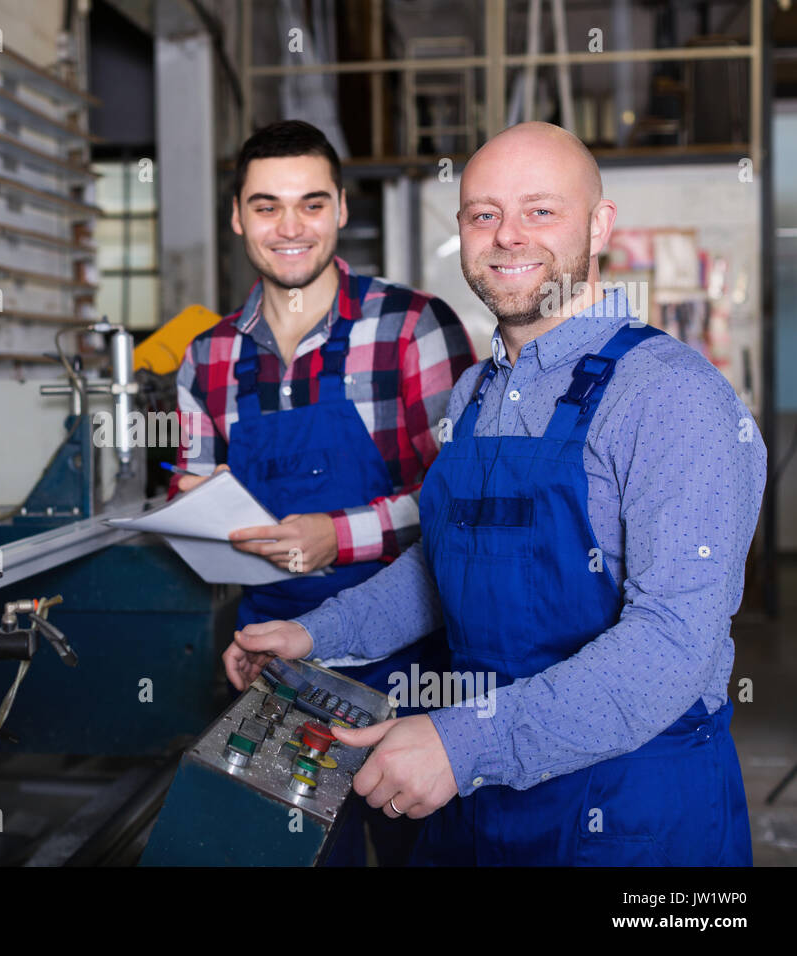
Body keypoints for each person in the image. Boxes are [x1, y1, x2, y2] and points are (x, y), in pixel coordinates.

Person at [222, 121, 764, 866]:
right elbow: (443, 567)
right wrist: (317, 634)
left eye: (541, 211)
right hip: (478, 804)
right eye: (484, 214)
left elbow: (672, 644)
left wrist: (461, 740)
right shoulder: (477, 392)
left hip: (629, 810)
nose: (508, 236)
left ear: (600, 225)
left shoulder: (672, 397)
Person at [170, 119, 475, 865]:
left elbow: (457, 504)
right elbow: (195, 494)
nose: (290, 227)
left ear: (342, 209)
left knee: (425, 855)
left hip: (413, 664)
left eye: (311, 203)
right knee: (298, 858)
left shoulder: (412, 328)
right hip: (280, 667)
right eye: (266, 205)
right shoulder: (207, 358)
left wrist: (338, 536)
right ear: (237, 217)